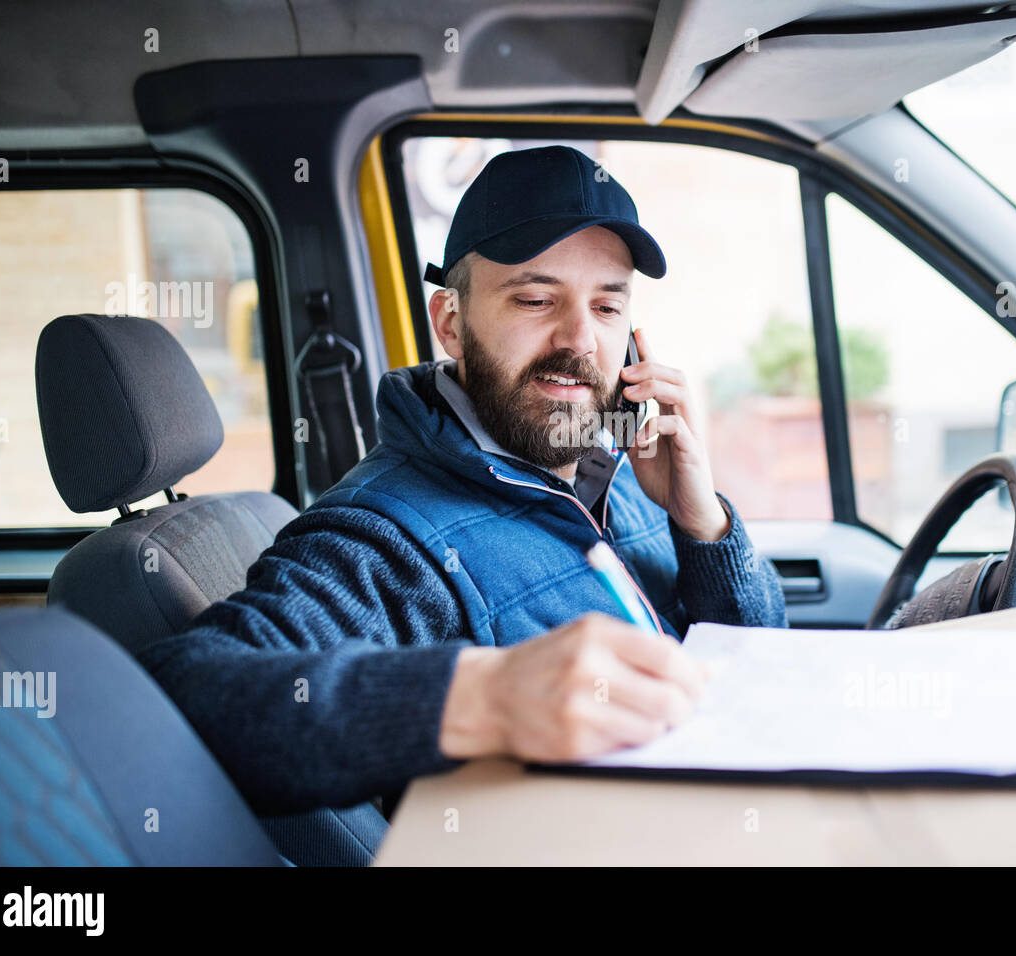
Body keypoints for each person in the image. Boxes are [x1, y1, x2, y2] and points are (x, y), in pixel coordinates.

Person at [136, 145, 785, 812]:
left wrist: (702, 524)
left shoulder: (631, 474)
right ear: (451, 323)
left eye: (607, 308)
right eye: (536, 298)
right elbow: (177, 700)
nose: (580, 339)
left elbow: (759, 672)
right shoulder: (383, 536)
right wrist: (483, 696)